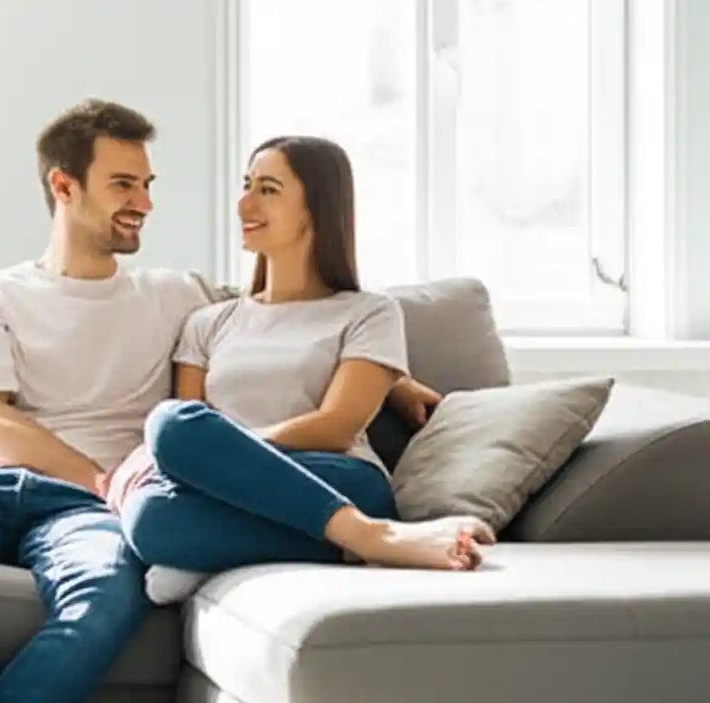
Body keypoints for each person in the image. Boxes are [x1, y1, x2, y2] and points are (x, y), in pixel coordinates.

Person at [0, 102, 445, 703]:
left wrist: (394, 380)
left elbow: (294, 311)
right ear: (64, 186)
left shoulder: (178, 297)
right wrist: (98, 477)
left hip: (89, 514)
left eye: (147, 185)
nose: (145, 204)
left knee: (105, 596)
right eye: (123, 184)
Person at [113, 136, 496, 591]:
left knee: (172, 429)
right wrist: (207, 458)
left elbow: (336, 426)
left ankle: (367, 533)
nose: (244, 204)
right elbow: (187, 436)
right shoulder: (208, 323)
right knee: (152, 511)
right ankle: (362, 542)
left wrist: (229, 450)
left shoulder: (369, 313)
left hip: (334, 476)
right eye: (247, 185)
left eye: (268, 190)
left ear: (316, 208)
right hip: (229, 486)